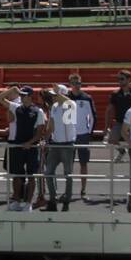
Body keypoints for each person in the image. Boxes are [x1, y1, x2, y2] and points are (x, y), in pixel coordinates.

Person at [0, 85, 46, 212]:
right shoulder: (16, 107)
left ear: (30, 96)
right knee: (17, 175)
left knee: (31, 176)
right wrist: (12, 89)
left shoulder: (38, 111)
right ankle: (16, 200)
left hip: (31, 147)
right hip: (17, 146)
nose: (22, 97)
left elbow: (40, 132)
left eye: (24, 95)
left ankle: (28, 203)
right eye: (21, 95)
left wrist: (30, 143)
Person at [44, 84, 77, 212]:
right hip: (55, 145)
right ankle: (53, 199)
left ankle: (67, 199)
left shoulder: (71, 105)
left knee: (68, 173)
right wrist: (45, 139)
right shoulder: (54, 107)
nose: (52, 97)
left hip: (67, 145)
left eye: (55, 95)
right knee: (48, 173)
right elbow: (51, 125)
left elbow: (68, 103)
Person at [66, 74, 97, 201]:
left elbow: (93, 116)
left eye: (78, 83)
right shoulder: (66, 98)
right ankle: (68, 191)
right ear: (70, 84)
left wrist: (88, 131)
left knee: (83, 163)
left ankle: (83, 190)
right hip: (69, 135)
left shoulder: (87, 98)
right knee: (69, 164)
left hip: (83, 135)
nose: (76, 85)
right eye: (74, 83)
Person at [105, 70, 131, 161]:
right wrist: (106, 127)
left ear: (128, 80)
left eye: (122, 79)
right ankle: (122, 151)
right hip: (120, 122)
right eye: (118, 79)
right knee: (111, 140)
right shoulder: (115, 94)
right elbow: (109, 110)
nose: (119, 81)